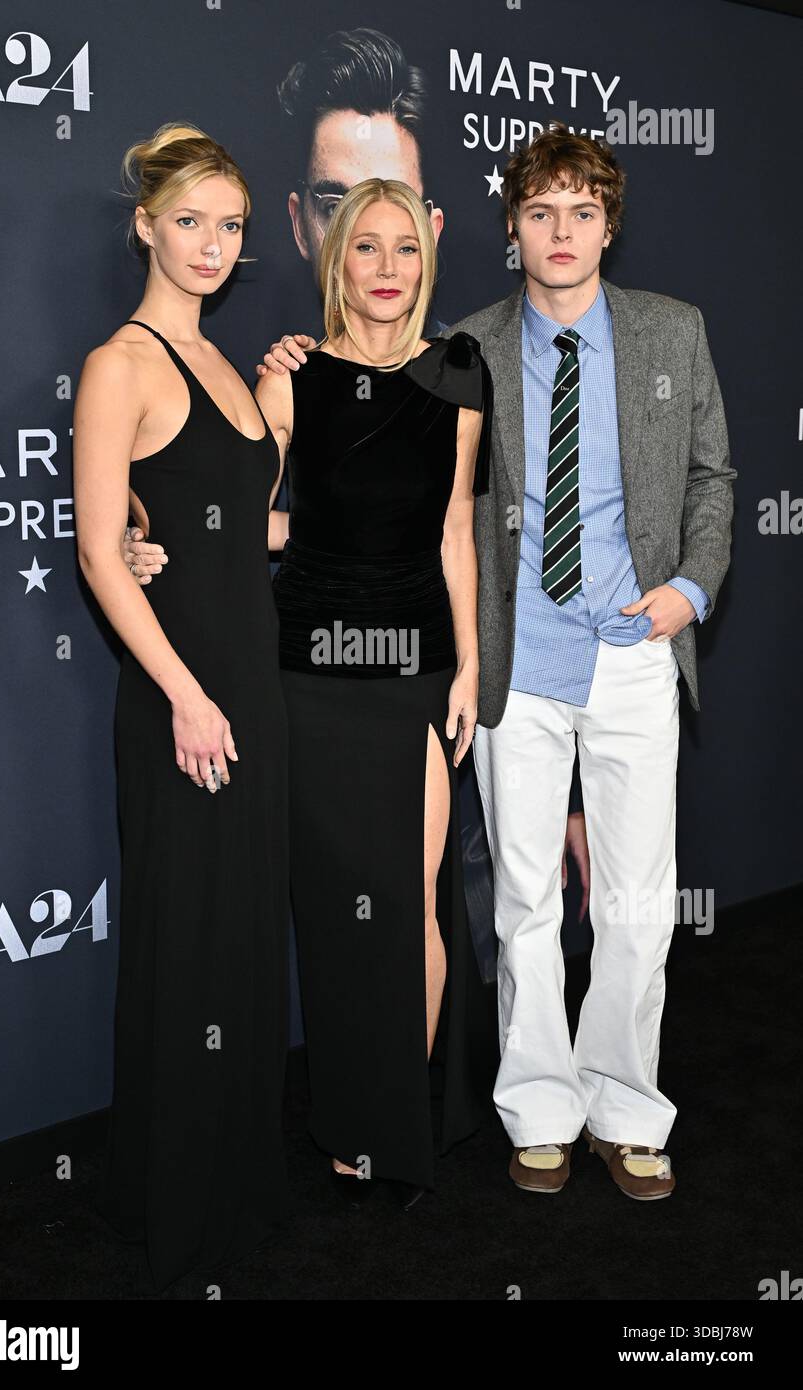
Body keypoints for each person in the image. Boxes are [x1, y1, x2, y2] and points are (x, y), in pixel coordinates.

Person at [257, 125, 735, 1201]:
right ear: (508, 230)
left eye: (580, 212)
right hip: (515, 658)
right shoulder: (461, 351)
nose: (559, 232)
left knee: (633, 902)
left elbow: (713, 477)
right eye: (537, 213)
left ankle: (625, 1105)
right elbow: (417, 510)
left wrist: (686, 591)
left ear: (607, 225)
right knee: (519, 894)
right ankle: (537, 1108)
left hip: (632, 653)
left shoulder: (671, 333)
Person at [129, 177, 498, 1208]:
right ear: (336, 262)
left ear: (426, 261)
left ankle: (394, 1109)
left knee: (413, 909)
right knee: (341, 918)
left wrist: (466, 665)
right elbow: (234, 515)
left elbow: (453, 536)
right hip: (312, 677)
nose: (387, 269)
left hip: (414, 670)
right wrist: (131, 536)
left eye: (404, 251)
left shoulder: (458, 373)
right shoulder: (290, 381)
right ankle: (354, 1125)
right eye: (365, 250)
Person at [73, 122, 289, 1290]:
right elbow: (103, 555)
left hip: (249, 683)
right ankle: (170, 1202)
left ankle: (238, 1183)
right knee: (186, 949)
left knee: (244, 944)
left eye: (231, 226)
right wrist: (186, 698)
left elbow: (233, 527)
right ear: (145, 225)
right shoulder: (121, 363)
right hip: (181, 698)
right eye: (191, 220)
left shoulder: (228, 365)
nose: (212, 244)